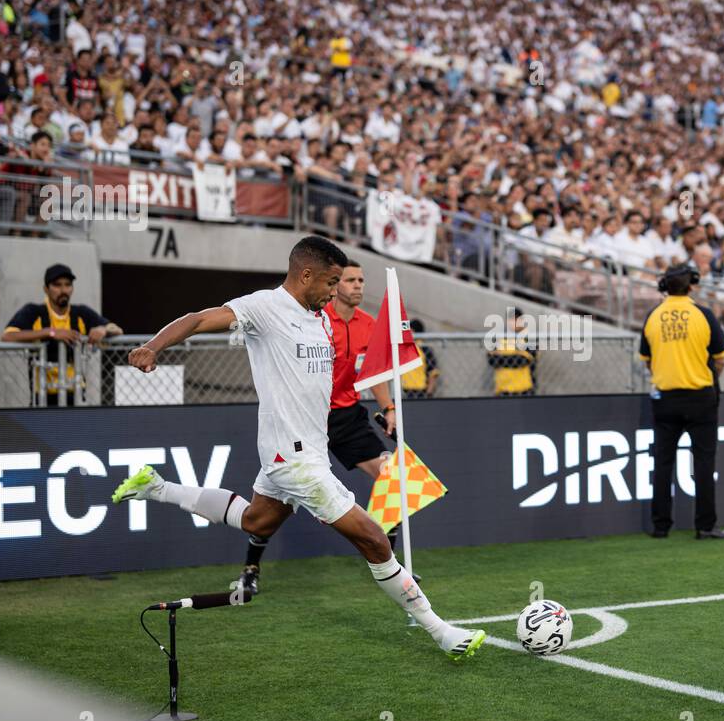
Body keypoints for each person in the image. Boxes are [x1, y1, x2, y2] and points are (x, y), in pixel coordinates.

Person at [109, 235, 484, 660]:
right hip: (295, 460)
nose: (335, 290)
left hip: (303, 452)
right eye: (331, 281)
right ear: (306, 274)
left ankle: (156, 488)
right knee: (375, 540)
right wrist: (153, 346)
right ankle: (441, 632)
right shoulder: (263, 308)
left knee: (256, 521)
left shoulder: (319, 318)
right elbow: (197, 319)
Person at [229, 260, 400, 595]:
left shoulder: (370, 324)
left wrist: (388, 407)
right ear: (333, 286)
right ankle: (251, 568)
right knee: (273, 509)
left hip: (347, 416)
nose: (358, 286)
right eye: (349, 280)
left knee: (393, 475)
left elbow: (374, 372)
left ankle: (389, 562)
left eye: (361, 280)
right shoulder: (316, 319)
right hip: (305, 420)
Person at [639, 263, 724, 540]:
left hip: (665, 398)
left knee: (663, 462)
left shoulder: (653, 316)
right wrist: (707, 377)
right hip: (700, 397)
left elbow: (647, 362)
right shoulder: (702, 314)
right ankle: (705, 525)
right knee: (704, 463)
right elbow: (721, 357)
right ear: (692, 284)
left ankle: (660, 526)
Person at [1, 264, 122, 405]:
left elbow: (117, 330)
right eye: (57, 285)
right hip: (43, 394)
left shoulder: (81, 313)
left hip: (75, 392)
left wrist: (103, 329)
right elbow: (7, 336)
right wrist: (51, 332)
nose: (63, 290)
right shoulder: (34, 311)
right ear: (46, 289)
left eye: (67, 285)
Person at [487, 307, 537, 396]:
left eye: (517, 319)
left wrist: (501, 357)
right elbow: (492, 360)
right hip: (502, 389)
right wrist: (515, 355)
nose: (514, 323)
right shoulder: (498, 337)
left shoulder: (529, 338)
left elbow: (523, 360)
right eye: (512, 319)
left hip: (524, 389)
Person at [401, 319, 440, 398]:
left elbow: (433, 373)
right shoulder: (404, 348)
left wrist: (428, 393)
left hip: (420, 391)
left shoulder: (424, 349)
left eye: (410, 331)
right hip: (404, 390)